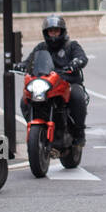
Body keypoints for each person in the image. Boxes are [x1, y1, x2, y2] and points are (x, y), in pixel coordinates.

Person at [23, 14, 89, 145]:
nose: (53, 34)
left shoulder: (71, 46)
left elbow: (82, 57)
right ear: (46, 33)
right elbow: (29, 61)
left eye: (56, 31)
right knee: (24, 100)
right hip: (47, 84)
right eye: (51, 31)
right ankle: (37, 128)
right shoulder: (41, 47)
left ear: (62, 31)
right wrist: (22, 65)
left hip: (67, 82)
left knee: (77, 95)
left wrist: (76, 62)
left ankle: (79, 132)